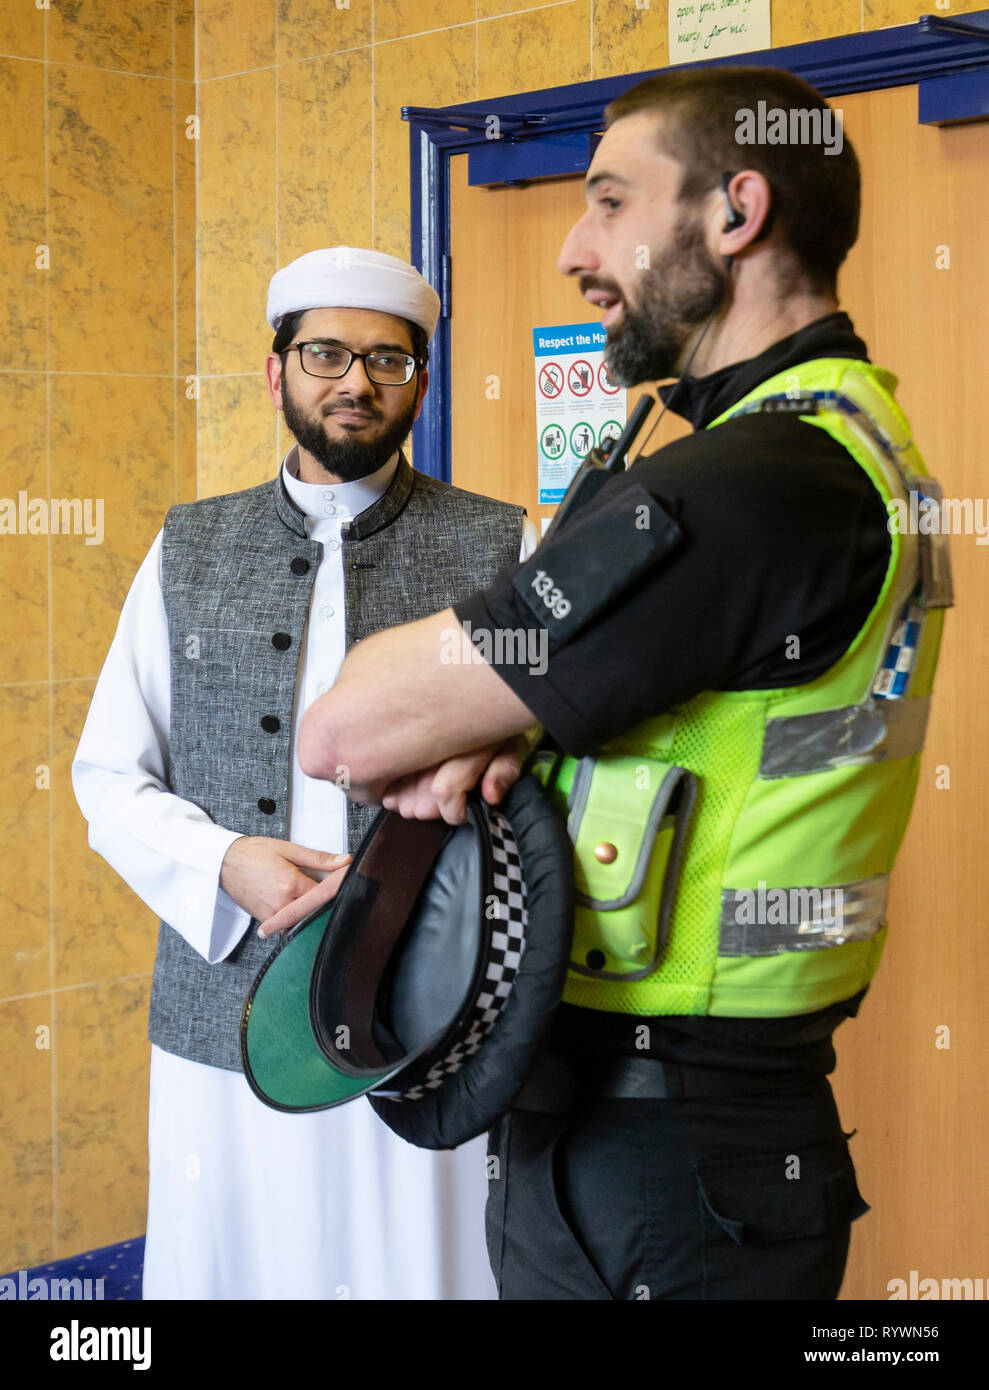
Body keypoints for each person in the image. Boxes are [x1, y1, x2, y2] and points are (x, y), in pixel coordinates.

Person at [291, 69, 950, 1300]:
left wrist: (468, 707)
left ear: (733, 211)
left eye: (605, 202)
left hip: (660, 1165)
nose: (572, 251)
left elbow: (343, 725)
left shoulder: (754, 485)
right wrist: (507, 727)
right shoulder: (834, 444)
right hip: (697, 1144)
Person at [72, 246, 537, 1300]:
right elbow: (108, 772)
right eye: (324, 352)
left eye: (388, 358)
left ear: (421, 379)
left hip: (431, 998)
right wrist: (224, 860)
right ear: (275, 369)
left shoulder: (502, 542)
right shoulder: (187, 547)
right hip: (223, 1001)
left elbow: (554, 765)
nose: (354, 381)